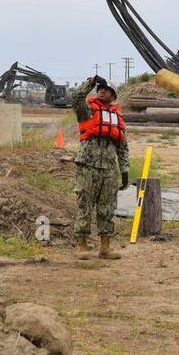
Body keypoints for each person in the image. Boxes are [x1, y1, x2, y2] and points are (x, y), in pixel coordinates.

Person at [70, 74, 129, 260]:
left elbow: (123, 147)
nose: (102, 90)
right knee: (84, 205)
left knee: (107, 208)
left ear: (114, 95)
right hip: (88, 165)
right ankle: (81, 245)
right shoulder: (87, 111)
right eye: (100, 88)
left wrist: (124, 169)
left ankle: (105, 247)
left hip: (110, 170)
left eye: (107, 89)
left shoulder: (117, 117)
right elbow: (76, 98)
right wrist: (91, 82)